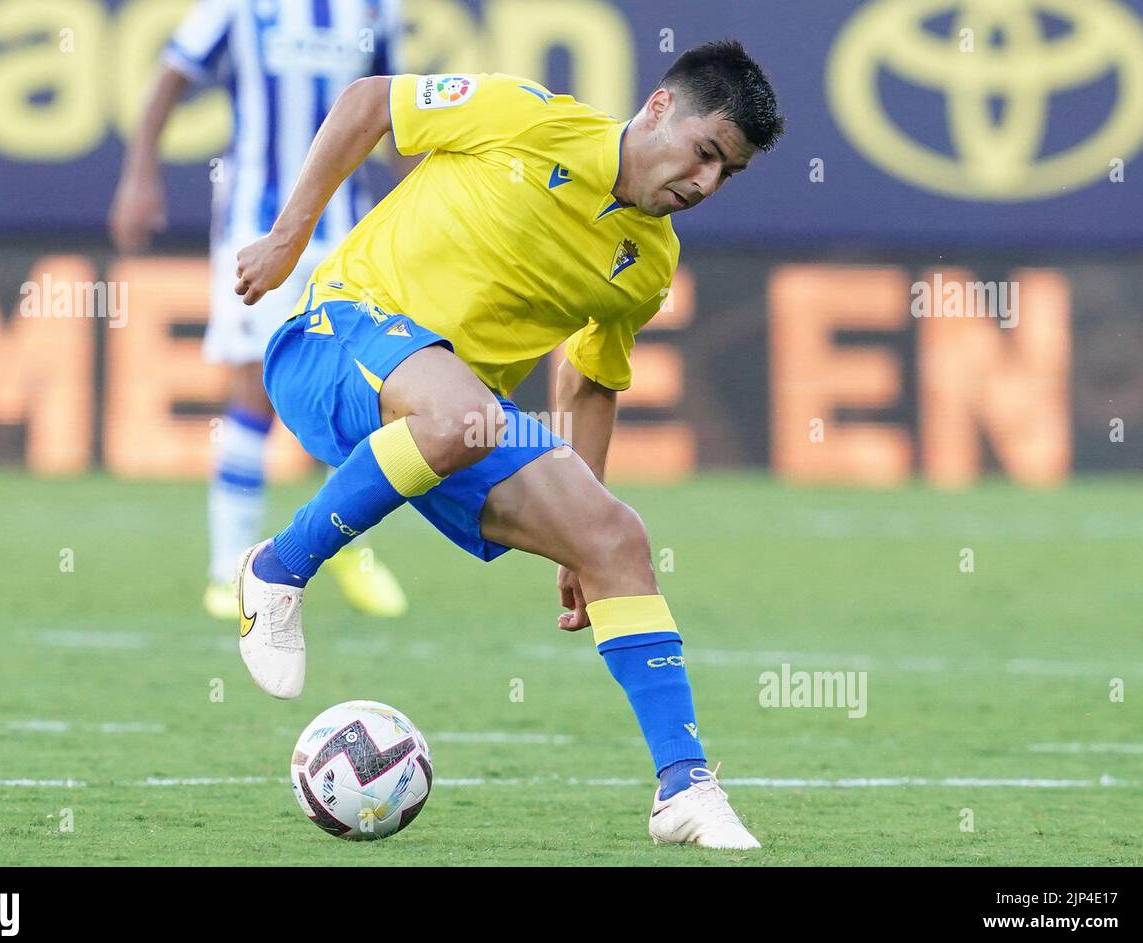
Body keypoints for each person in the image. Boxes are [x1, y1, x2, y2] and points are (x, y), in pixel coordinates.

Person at [234, 42, 784, 849]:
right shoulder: (527, 117)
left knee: (617, 539)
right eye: (706, 153)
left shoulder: (647, 263)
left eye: (726, 174)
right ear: (660, 108)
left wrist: (577, 535)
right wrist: (290, 236)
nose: (705, 183)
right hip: (334, 337)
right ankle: (278, 569)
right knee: (465, 418)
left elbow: (591, 381)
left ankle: (684, 788)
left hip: (449, 419)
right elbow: (367, 102)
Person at [109, 0, 411, 621]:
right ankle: (228, 572)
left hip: (347, 233)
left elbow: (397, 114)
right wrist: (140, 176)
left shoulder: (378, 8)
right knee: (254, 391)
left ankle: (349, 543)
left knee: (364, 394)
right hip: (259, 223)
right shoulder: (239, 5)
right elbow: (171, 77)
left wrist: (418, 210)